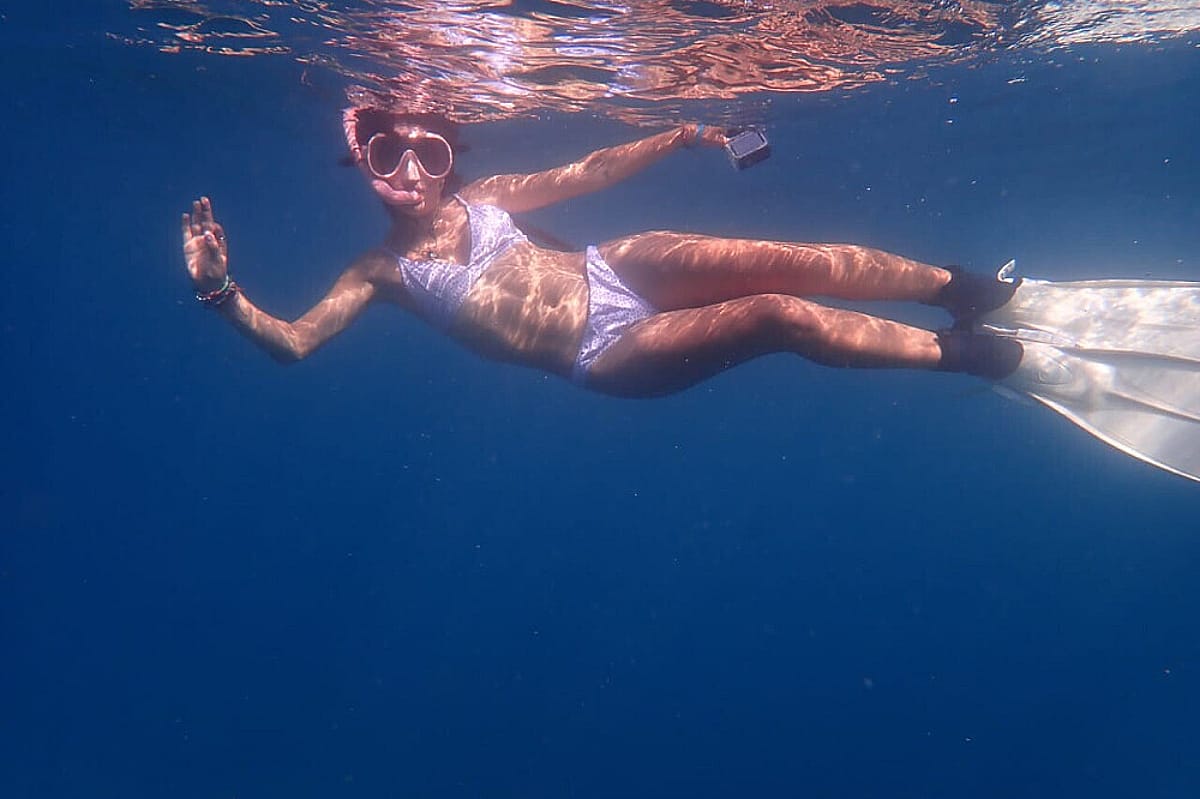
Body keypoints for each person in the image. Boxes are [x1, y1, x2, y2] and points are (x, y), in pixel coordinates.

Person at [182, 107, 1022, 400]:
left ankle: (962, 285)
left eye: (430, 155)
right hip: (602, 349)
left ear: (449, 165)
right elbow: (294, 342)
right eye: (387, 158)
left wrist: (682, 135)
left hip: (609, 267)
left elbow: (586, 171)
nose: (410, 172)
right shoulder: (378, 274)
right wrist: (223, 294)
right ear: (364, 170)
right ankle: (959, 355)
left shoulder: (489, 195)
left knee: (790, 256)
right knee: (780, 314)